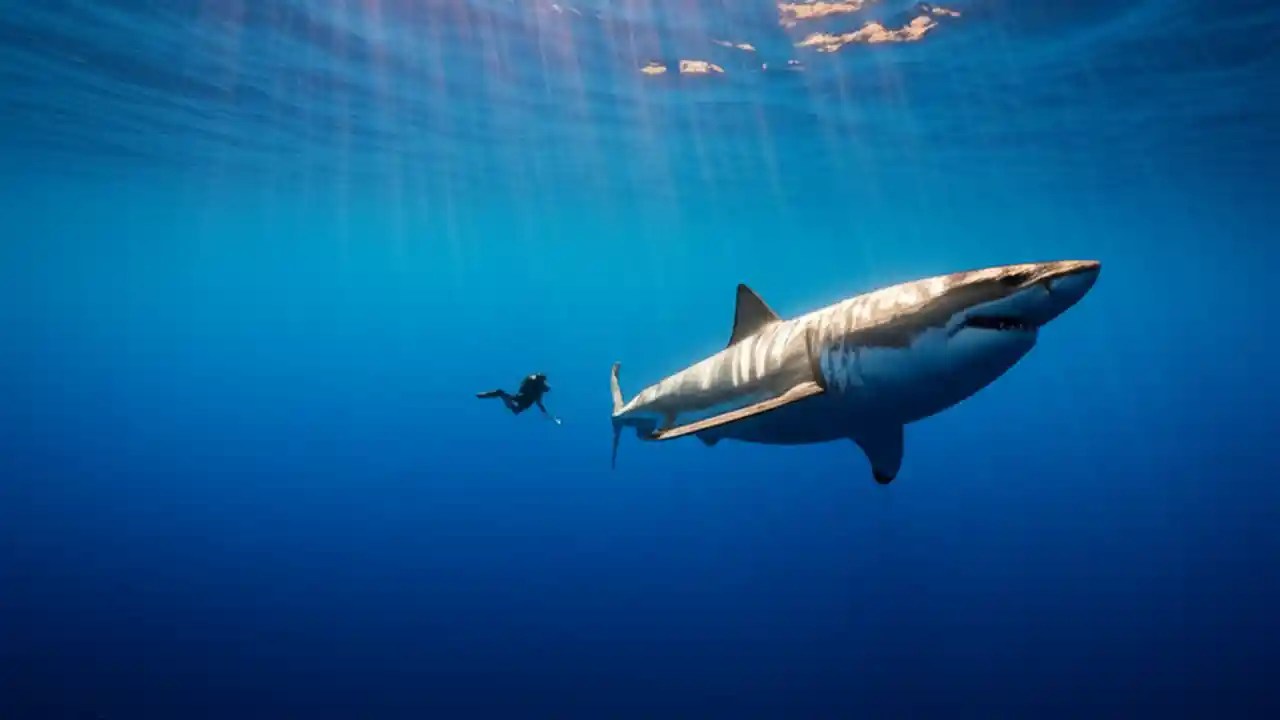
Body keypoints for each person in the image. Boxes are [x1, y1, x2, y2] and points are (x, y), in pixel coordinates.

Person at [476, 372, 561, 424]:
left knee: (503, 395)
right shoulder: (536, 382)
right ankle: (486, 395)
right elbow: (536, 377)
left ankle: (489, 395)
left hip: (518, 404)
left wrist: (550, 417)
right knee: (503, 394)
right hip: (518, 399)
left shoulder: (538, 394)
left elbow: (540, 405)